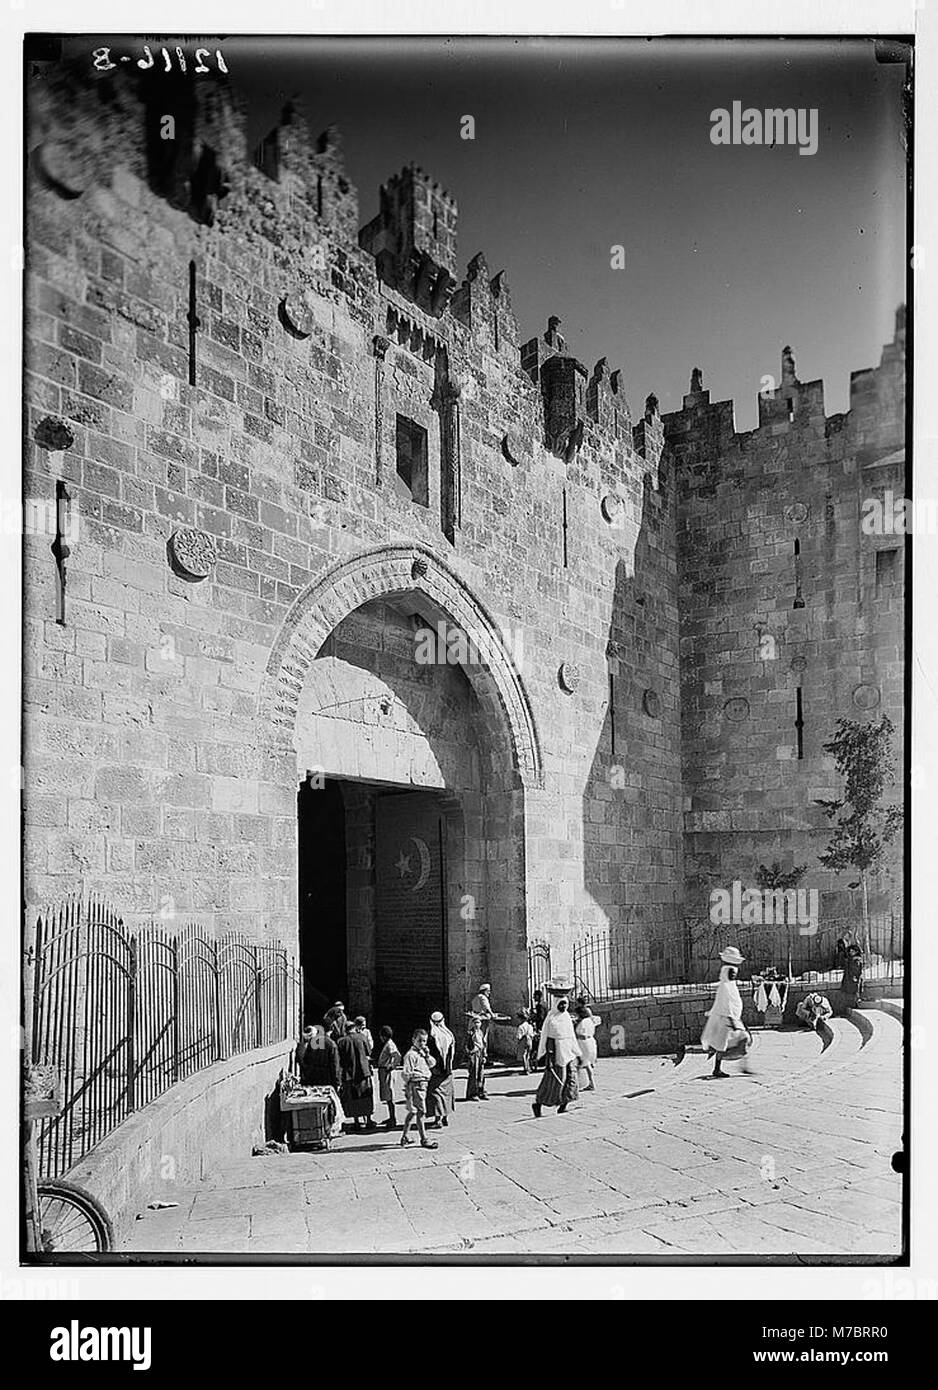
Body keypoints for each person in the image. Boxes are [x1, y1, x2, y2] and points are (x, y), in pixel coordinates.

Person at [701, 947, 752, 1078]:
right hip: (726, 1018)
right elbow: (724, 1003)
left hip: (731, 1018)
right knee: (729, 1042)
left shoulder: (730, 986)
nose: (734, 975)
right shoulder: (724, 987)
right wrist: (731, 1020)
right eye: (731, 973)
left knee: (730, 1042)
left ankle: (738, 1066)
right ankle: (722, 1068)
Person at [532, 991, 581, 1117]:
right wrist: (546, 1056)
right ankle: (538, 1104)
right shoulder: (551, 1019)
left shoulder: (566, 1018)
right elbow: (546, 1039)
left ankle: (564, 1105)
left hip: (569, 1053)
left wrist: (577, 1053)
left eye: (565, 1004)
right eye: (561, 1004)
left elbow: (572, 1037)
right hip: (556, 1054)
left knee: (571, 1080)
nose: (563, 1007)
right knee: (556, 1081)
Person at [336, 1019, 377, 1131]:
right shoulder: (362, 1037)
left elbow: (339, 1059)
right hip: (364, 1072)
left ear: (345, 1029)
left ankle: (356, 1121)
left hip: (349, 1074)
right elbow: (369, 1052)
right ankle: (368, 1120)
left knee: (353, 1097)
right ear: (354, 1028)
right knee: (366, 1096)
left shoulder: (341, 1041)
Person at [400, 1029, 438, 1148]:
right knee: (421, 1112)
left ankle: (405, 1136)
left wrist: (427, 1055)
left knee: (413, 1111)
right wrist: (411, 1081)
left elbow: (432, 1063)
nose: (422, 1043)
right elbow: (406, 1072)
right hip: (417, 1084)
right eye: (419, 1041)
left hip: (423, 1084)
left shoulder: (422, 1053)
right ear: (413, 1040)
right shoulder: (411, 1055)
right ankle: (424, 1138)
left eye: (424, 1041)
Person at [426, 1010, 456, 1128]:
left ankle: (437, 1120)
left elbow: (432, 1055)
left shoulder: (432, 1036)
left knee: (436, 1094)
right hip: (448, 1069)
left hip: (436, 1070)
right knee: (447, 1094)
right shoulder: (449, 1034)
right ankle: (445, 1117)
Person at [375, 1025, 402, 1129]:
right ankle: (390, 1117)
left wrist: (392, 1066)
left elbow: (397, 1056)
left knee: (389, 1095)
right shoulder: (388, 1044)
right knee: (387, 1096)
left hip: (387, 1072)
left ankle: (392, 1118)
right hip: (383, 1071)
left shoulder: (390, 1045)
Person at [574, 1002, 600, 1091]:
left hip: (583, 1044)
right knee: (587, 1063)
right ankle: (591, 1082)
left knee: (579, 1063)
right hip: (590, 1042)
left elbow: (580, 1033)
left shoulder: (582, 1023)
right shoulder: (590, 1021)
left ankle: (575, 1084)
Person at [465, 1011, 487, 1101]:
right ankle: (472, 1093)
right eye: (475, 1022)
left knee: (481, 1074)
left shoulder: (481, 1032)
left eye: (479, 1022)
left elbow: (483, 1044)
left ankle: (480, 1091)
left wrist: (485, 1055)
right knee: (474, 1074)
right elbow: (467, 1045)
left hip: (480, 1053)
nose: (477, 1024)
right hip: (474, 1054)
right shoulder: (471, 1033)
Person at [516, 1009, 536, 1074]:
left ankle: (526, 1069)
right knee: (528, 1055)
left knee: (524, 1055)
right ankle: (529, 1067)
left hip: (523, 1041)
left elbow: (519, 1036)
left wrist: (518, 1042)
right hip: (530, 1040)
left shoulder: (521, 1027)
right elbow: (532, 1034)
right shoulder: (530, 1026)